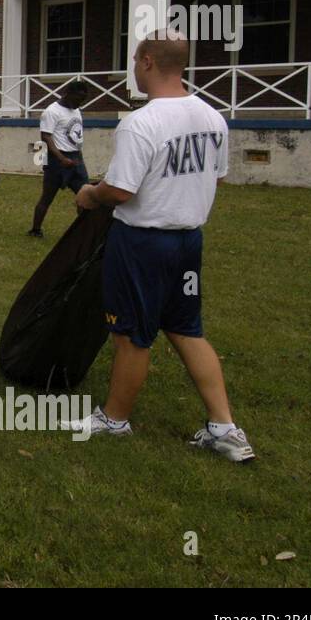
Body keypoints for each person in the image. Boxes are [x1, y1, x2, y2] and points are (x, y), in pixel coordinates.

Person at [75, 31, 253, 462]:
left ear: (149, 61)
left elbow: (120, 191)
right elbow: (218, 175)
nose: (133, 67)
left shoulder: (141, 122)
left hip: (141, 243)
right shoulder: (213, 118)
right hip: (188, 241)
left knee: (131, 334)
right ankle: (224, 427)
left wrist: (89, 194)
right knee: (186, 328)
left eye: (136, 59)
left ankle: (115, 419)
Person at [29, 79, 89, 237]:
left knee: (86, 196)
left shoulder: (76, 110)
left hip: (76, 159)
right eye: (78, 99)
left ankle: (83, 231)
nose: (80, 103)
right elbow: (45, 137)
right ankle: (35, 230)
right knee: (47, 197)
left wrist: (79, 156)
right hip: (58, 160)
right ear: (68, 94)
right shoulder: (51, 111)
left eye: (83, 100)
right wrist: (61, 158)